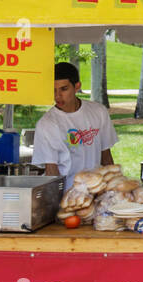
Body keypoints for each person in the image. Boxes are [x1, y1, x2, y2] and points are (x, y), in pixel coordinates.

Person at [32, 62, 118, 191]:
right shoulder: (46, 124)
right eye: (53, 90)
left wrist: (115, 187)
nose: (57, 96)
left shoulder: (98, 112)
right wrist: (59, 202)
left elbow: (106, 156)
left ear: (77, 86)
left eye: (64, 89)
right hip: (67, 194)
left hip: (97, 191)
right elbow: (51, 171)